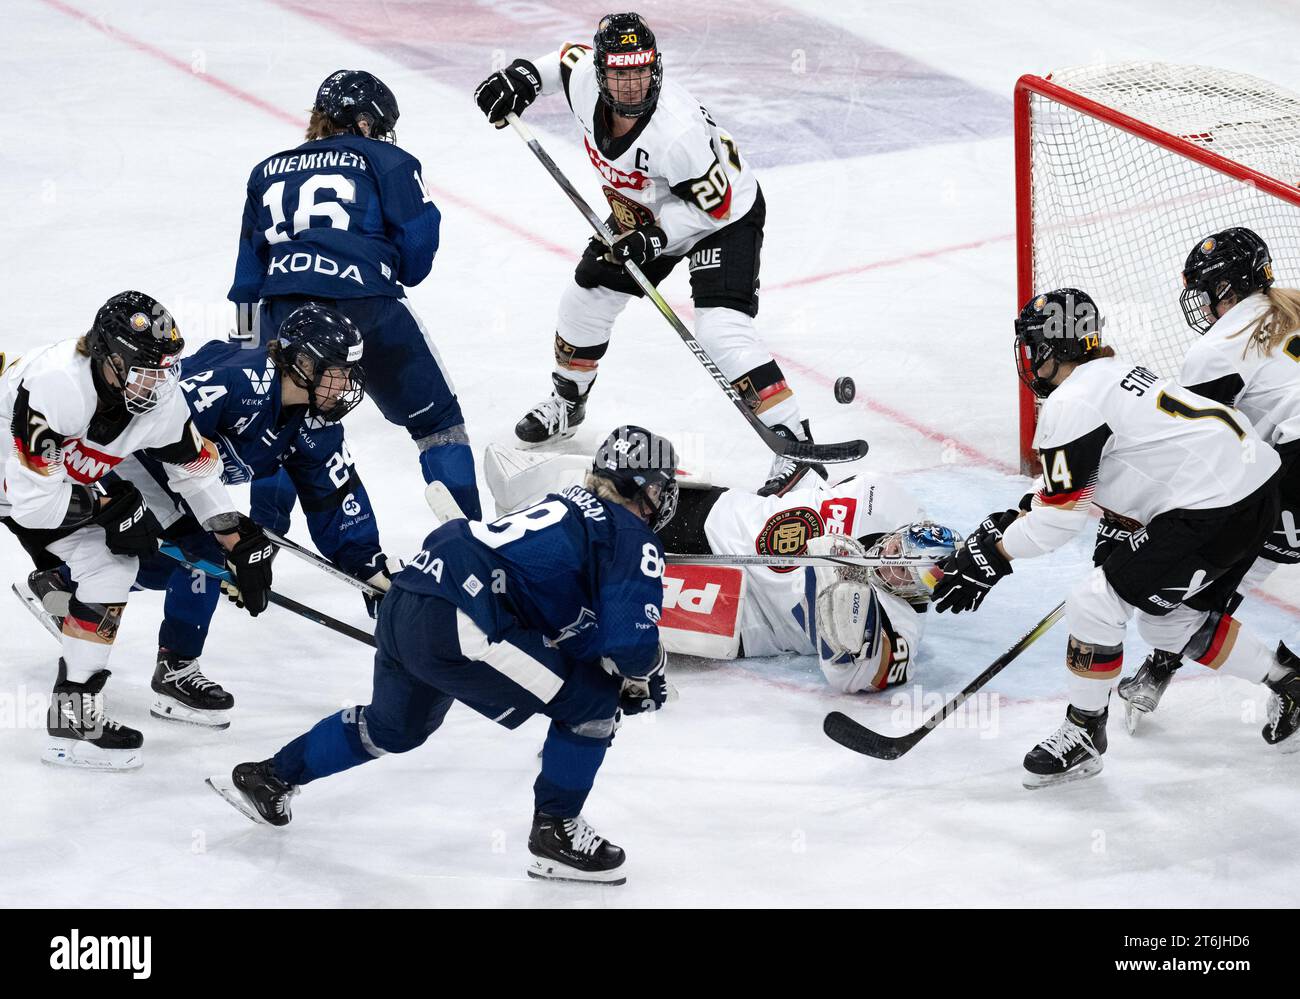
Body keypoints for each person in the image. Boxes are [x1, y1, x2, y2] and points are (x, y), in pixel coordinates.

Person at [208, 426, 679, 885]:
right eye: (662, 487)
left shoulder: (561, 503)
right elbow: (627, 642)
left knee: (395, 727)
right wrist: (645, 673)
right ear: (644, 488)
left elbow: (556, 614)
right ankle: (556, 834)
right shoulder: (630, 537)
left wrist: (610, 660)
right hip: (462, 620)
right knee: (593, 704)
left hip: (411, 593)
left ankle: (270, 777)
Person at [931, 288, 1296, 787]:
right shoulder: (1109, 376)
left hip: (1213, 507)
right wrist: (1014, 519)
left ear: (1048, 349)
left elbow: (1062, 520)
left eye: (1031, 346)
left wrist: (995, 554)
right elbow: (1085, 482)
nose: (1028, 358)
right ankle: (1289, 680)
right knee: (1170, 627)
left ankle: (1083, 735)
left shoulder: (1071, 402)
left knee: (1095, 603)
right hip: (1254, 488)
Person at [474, 12, 820, 495]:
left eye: (640, 71)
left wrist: (656, 238)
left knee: (721, 328)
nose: (632, 85)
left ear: (655, 68)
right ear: (601, 72)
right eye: (619, 72)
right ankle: (567, 403)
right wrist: (523, 77)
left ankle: (791, 440)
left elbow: (715, 207)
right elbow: (562, 60)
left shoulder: (675, 133)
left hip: (721, 218)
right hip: (646, 212)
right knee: (587, 296)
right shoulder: (583, 82)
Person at [1, 292, 274, 770]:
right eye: (143, 367)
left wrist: (234, 536)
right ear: (107, 356)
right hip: (20, 477)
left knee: (110, 567)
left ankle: (72, 725)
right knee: (111, 543)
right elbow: (34, 506)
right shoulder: (58, 385)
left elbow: (194, 466)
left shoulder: (158, 398)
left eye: (164, 366)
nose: (157, 381)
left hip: (39, 479)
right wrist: (108, 508)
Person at [85, 302, 385, 729]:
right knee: (205, 553)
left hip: (186, 479)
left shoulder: (314, 424)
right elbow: (148, 425)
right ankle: (175, 668)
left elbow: (334, 497)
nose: (345, 385)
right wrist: (220, 535)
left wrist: (369, 566)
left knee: (167, 564)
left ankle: (69, 584)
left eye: (349, 373)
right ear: (302, 363)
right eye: (336, 371)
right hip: (127, 456)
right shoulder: (237, 381)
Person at [482, 443, 960, 692]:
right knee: (618, 495)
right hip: (728, 516)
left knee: (607, 588)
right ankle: (523, 501)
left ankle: (496, 583)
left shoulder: (901, 629)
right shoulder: (885, 495)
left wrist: (846, 579)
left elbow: (852, 677)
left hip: (735, 607)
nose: (887, 563)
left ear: (919, 594)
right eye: (894, 548)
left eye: (901, 575)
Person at [228, 68, 480, 519]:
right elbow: (417, 258)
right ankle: (472, 547)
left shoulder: (265, 171)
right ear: (364, 123)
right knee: (439, 425)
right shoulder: (388, 160)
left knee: (277, 425)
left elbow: (248, 277)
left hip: (280, 314)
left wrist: (249, 356)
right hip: (366, 306)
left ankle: (257, 555)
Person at [1117, 228, 1300, 734]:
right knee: (1226, 575)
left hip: (1293, 481)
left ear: (1226, 290)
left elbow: (1190, 451)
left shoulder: (1219, 347)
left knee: (1191, 594)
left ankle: (1285, 680)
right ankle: (1162, 666)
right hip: (1289, 472)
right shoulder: (1292, 308)